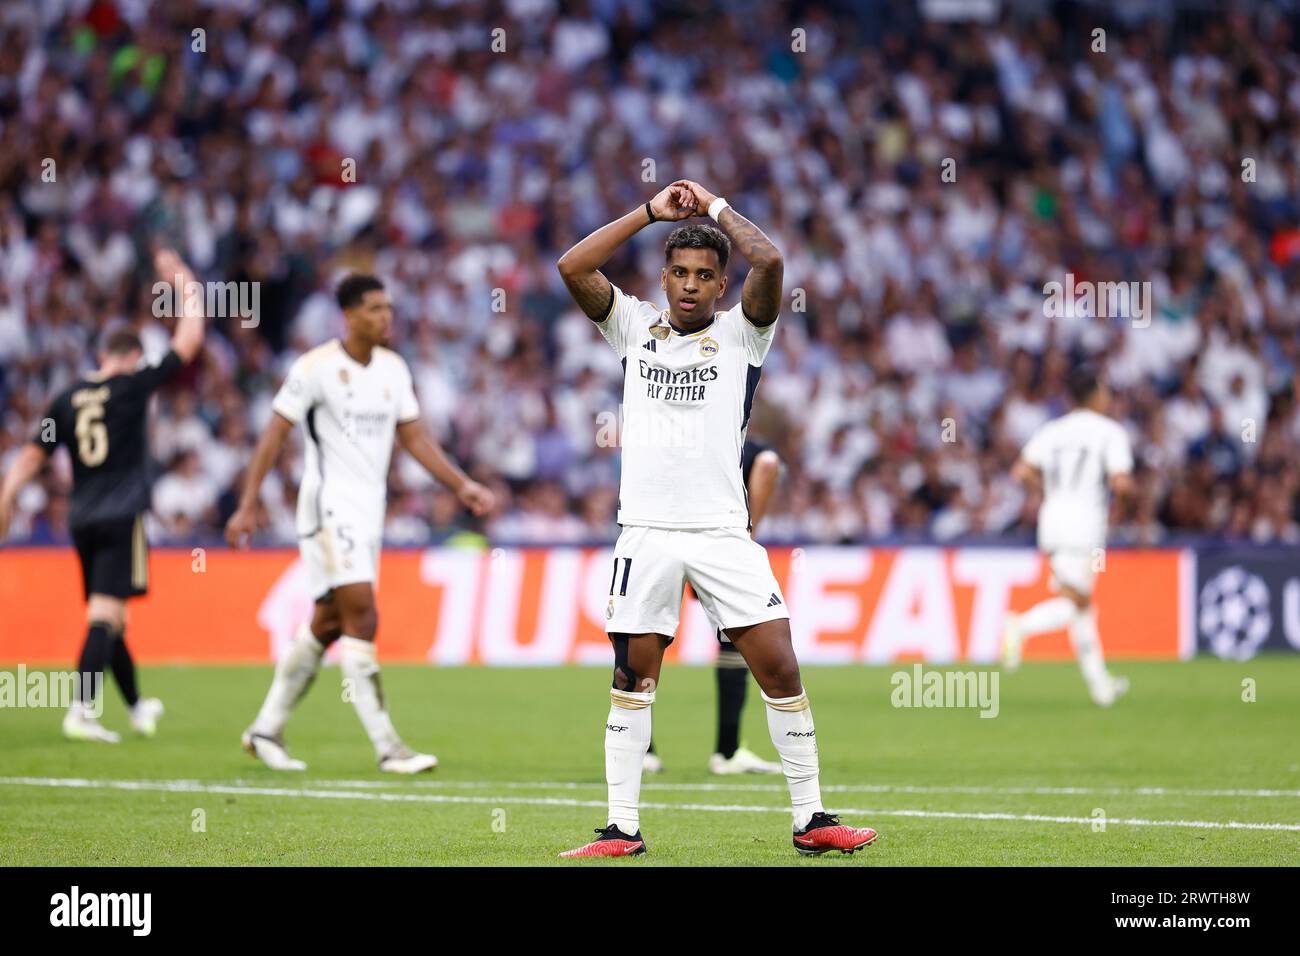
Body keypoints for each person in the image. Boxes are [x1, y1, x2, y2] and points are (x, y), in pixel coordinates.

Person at [554, 180, 878, 857]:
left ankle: (812, 819)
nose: (691, 285)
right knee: (633, 679)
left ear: (723, 284)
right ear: (663, 277)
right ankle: (621, 828)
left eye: (705, 275)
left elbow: (774, 264)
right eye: (679, 272)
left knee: (781, 668)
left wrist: (714, 206)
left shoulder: (743, 335)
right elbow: (572, 267)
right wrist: (648, 213)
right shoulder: (632, 326)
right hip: (644, 531)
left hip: (723, 533)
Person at [224, 274, 494, 772]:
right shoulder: (315, 368)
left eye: (388, 308)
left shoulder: (393, 369)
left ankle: (265, 729)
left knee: (328, 621)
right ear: (348, 316)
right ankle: (388, 747)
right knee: (362, 614)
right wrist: (246, 504)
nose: (385, 317)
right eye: (374, 309)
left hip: (368, 512)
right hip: (329, 508)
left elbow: (415, 439)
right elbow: (273, 435)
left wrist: (461, 486)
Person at [0, 249, 205, 742]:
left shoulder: (65, 399)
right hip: (122, 514)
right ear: (132, 357)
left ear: (100, 357)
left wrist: (7, 497)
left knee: (113, 616)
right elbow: (190, 339)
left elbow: (32, 455)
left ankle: (136, 707)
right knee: (104, 614)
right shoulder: (132, 387)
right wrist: (184, 282)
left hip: (83, 518)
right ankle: (81, 711)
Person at [643, 438, 783, 776]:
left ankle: (641, 750)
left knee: (643, 639)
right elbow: (767, 464)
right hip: (718, 545)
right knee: (735, 641)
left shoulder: (669, 440)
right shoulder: (739, 443)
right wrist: (747, 537)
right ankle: (728, 751)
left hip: (657, 537)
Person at [1003, 367, 1134, 706]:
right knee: (1076, 600)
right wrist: (1128, 501)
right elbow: (1121, 483)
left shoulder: (1052, 430)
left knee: (1082, 605)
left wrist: (1047, 490)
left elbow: (1020, 472)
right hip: (1086, 524)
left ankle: (1101, 687)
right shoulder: (1110, 432)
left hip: (1052, 522)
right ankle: (1021, 625)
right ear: (1094, 396)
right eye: (1104, 392)